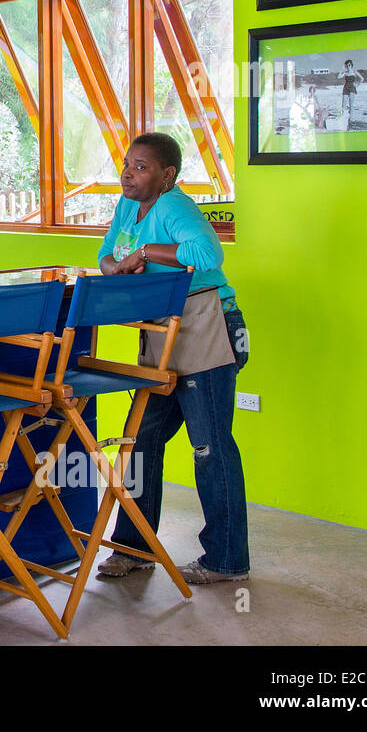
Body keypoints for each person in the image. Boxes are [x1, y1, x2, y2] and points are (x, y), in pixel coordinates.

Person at [95, 132, 250, 585]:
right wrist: (118, 265)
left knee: (210, 447)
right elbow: (105, 256)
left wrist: (143, 254)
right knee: (140, 441)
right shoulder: (127, 207)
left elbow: (208, 254)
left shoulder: (175, 206)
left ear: (167, 176)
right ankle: (133, 546)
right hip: (163, 332)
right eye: (127, 163)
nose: (129, 172)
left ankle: (226, 560)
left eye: (142, 167)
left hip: (207, 327)